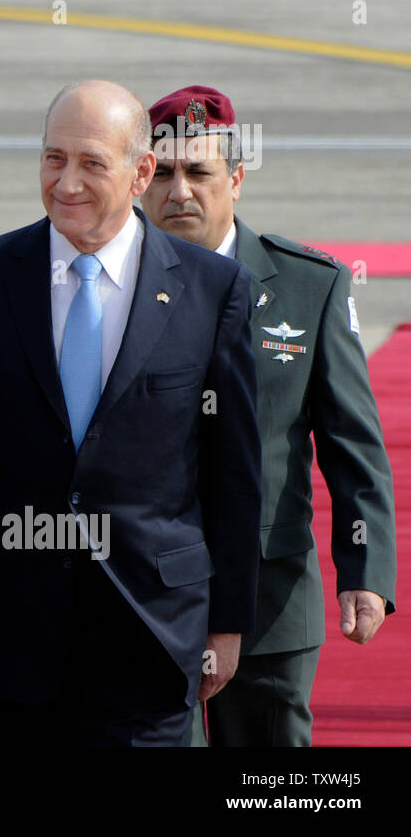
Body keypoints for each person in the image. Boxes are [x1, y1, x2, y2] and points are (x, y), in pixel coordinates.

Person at [0, 80, 262, 746]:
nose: (67, 183)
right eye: (53, 158)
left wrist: (229, 620)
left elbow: (231, 472)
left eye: (92, 163)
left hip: (151, 628)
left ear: (140, 172)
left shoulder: (212, 290)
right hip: (14, 629)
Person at [140, 84, 397, 746]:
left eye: (198, 172)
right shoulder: (103, 284)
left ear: (236, 177)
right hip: (141, 590)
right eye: (162, 173)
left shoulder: (309, 286)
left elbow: (353, 441)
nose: (180, 192)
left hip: (268, 591)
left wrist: (363, 570)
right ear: (140, 178)